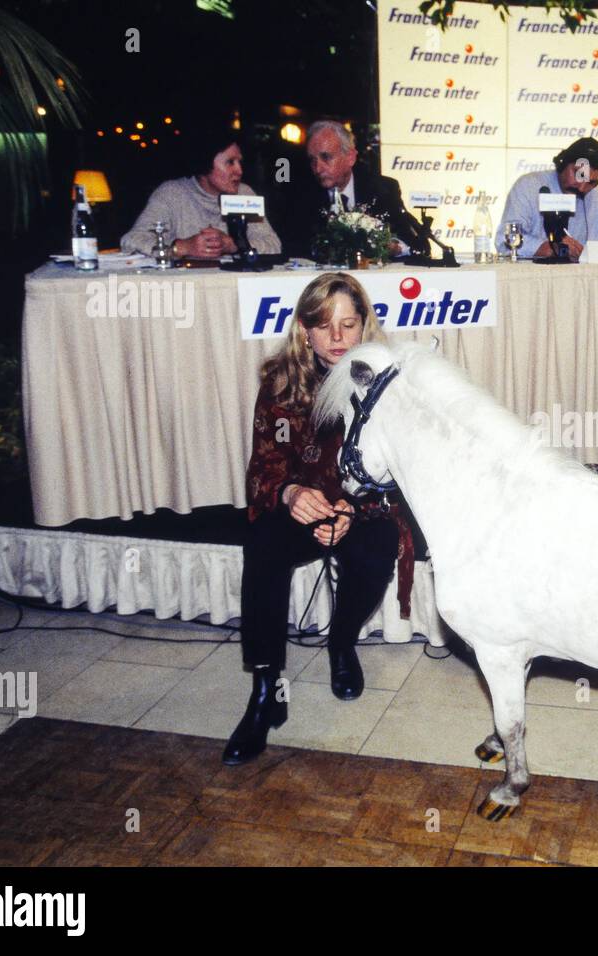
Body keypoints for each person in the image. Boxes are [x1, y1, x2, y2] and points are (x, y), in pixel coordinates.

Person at [224, 272, 401, 765]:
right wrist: (291, 492)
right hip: (301, 507)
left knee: (377, 547)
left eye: (349, 323)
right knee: (261, 547)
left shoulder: (389, 382)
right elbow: (263, 469)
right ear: (305, 330)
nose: (339, 338)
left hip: (361, 507)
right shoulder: (281, 381)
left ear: (365, 324)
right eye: (325, 326)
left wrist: (354, 507)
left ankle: (341, 644)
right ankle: (264, 690)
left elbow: (400, 475)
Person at [119, 131, 281, 259]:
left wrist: (234, 245)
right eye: (230, 162)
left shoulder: (244, 193)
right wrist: (182, 247)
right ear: (205, 164)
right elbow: (131, 240)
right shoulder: (171, 194)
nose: (239, 171)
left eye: (240, 162)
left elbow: (274, 245)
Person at [286, 120, 427, 259]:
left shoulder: (383, 189)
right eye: (312, 160)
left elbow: (415, 243)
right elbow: (294, 247)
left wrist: (395, 247)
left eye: (326, 157)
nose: (317, 168)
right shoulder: (299, 195)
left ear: (350, 157)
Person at [495, 137, 598, 260]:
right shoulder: (529, 186)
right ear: (562, 163)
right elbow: (503, 240)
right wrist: (544, 248)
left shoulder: (597, 198)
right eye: (578, 174)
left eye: (591, 182)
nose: (581, 188)